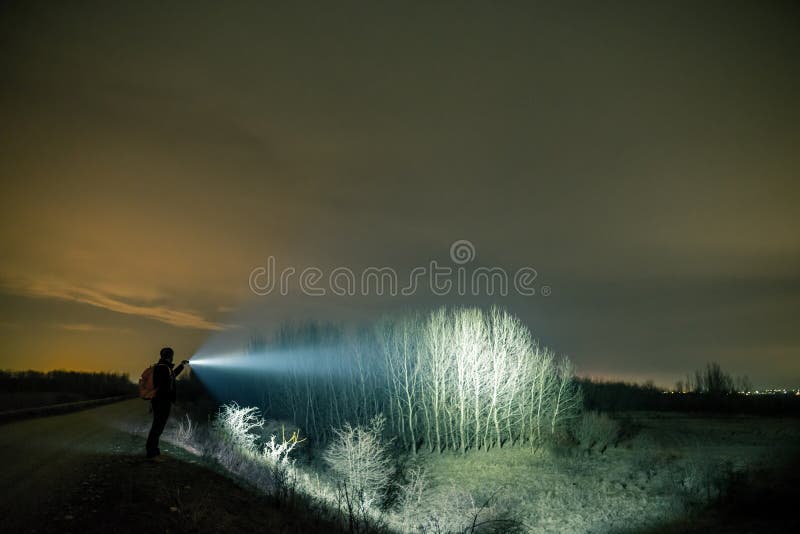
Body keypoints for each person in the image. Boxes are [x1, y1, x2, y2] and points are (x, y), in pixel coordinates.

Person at [145, 347, 189, 460]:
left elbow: (172, 376)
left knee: (157, 427)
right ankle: (152, 454)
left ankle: (155, 452)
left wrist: (181, 365)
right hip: (162, 402)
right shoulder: (163, 368)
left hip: (159, 401)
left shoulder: (162, 367)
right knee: (157, 428)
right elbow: (165, 385)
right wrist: (170, 399)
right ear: (170, 356)